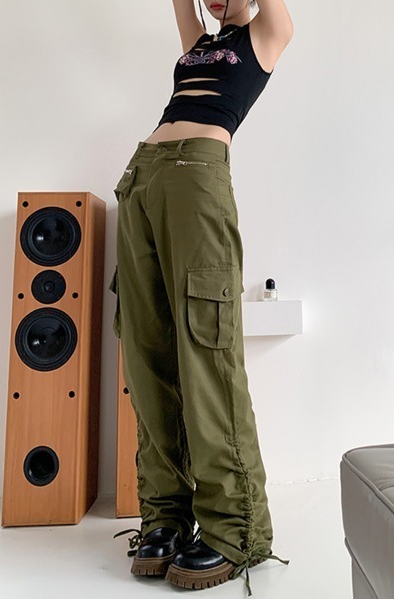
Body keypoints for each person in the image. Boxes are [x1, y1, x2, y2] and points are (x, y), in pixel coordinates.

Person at [111, 0, 294, 595]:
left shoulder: (263, 35)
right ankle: (165, 515)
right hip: (142, 177)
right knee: (147, 354)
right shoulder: (198, 45)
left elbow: (275, 17)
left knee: (206, 351)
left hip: (197, 176)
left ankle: (236, 529)